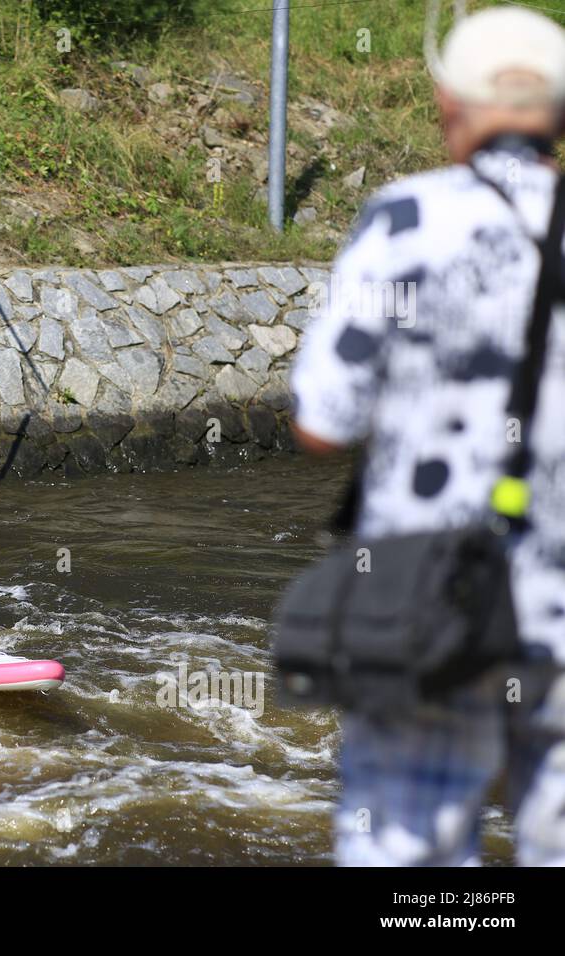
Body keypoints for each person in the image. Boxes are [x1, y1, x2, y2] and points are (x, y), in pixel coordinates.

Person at [290, 5, 565, 866]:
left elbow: (321, 420)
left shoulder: (406, 220)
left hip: (426, 601)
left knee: (409, 849)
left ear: (451, 107)